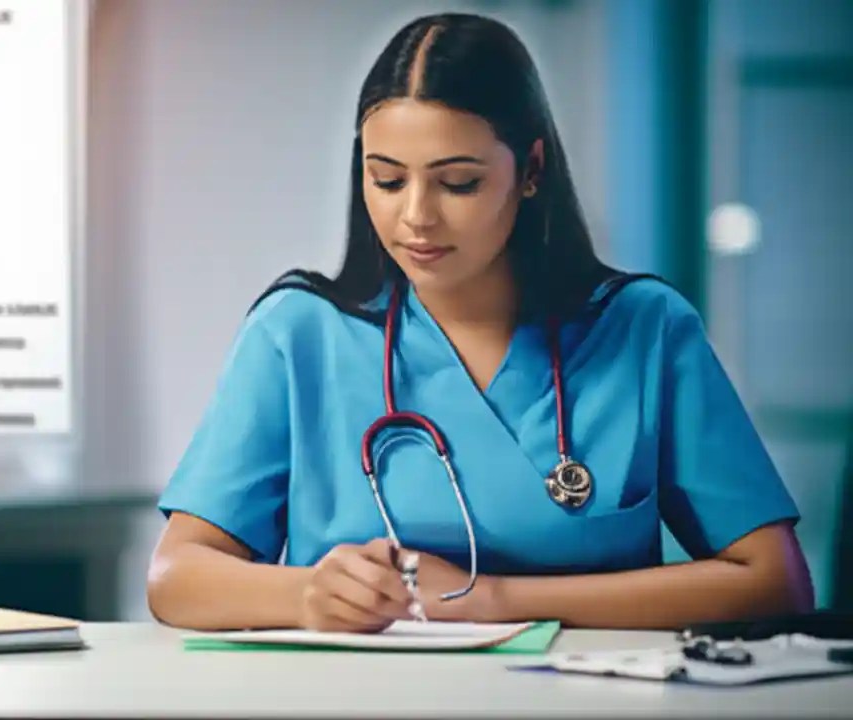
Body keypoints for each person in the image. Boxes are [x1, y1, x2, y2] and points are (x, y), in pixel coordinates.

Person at [146, 12, 814, 632]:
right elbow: (176, 577)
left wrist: (491, 600)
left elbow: (775, 581)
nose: (416, 217)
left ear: (530, 170)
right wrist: (306, 594)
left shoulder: (645, 330)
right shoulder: (297, 335)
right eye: (386, 180)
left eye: (457, 183)